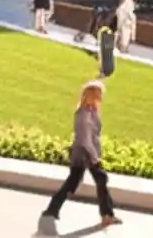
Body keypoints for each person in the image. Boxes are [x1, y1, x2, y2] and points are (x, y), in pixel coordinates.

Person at [39, 81, 121, 234]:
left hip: (90, 153)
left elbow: (94, 136)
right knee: (92, 180)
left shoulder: (92, 110)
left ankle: (107, 215)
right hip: (84, 154)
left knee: (82, 181)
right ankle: (106, 215)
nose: (100, 97)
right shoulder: (83, 114)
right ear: (91, 94)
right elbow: (84, 139)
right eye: (98, 93)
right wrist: (94, 157)